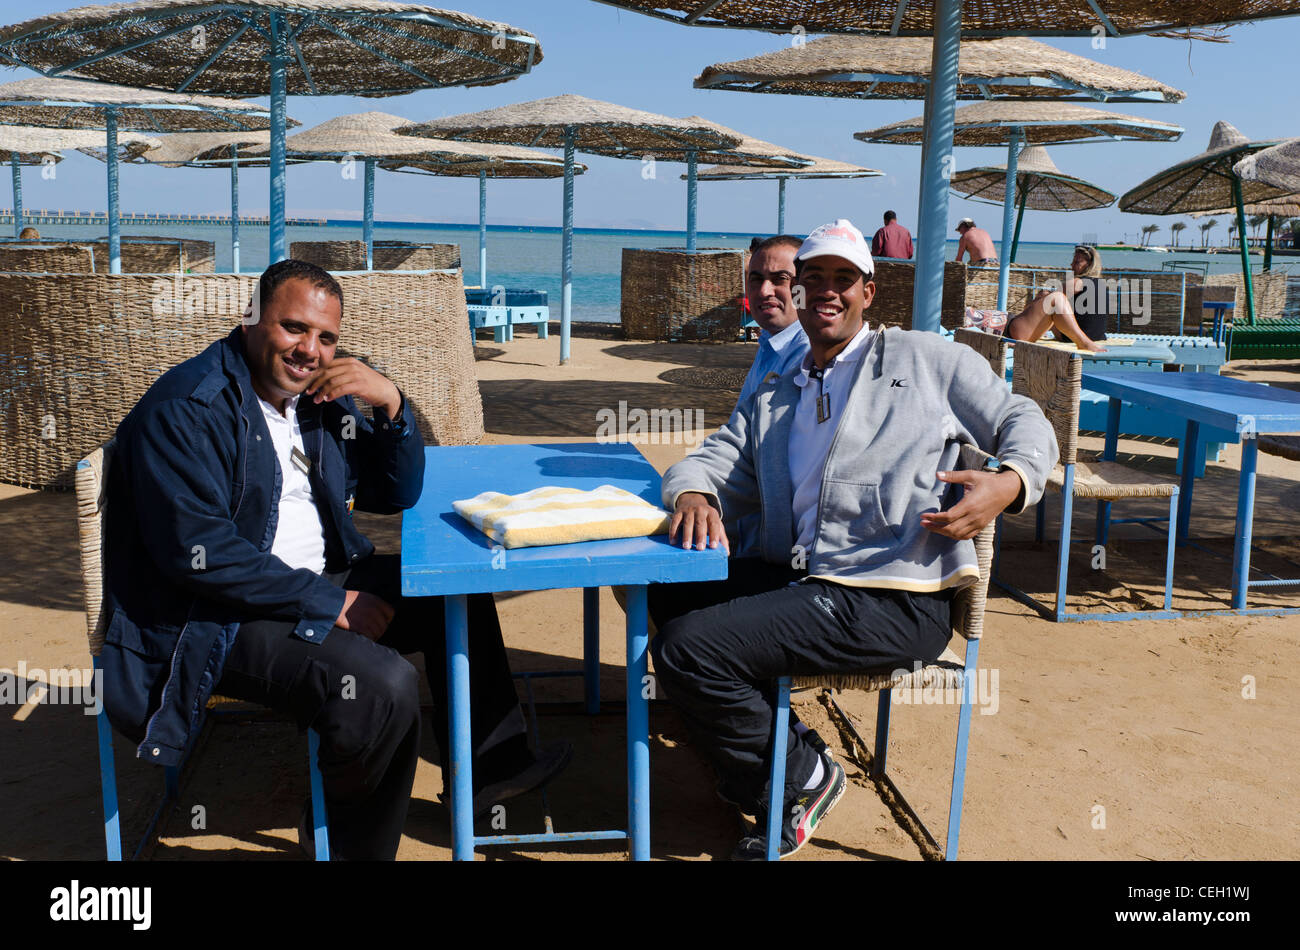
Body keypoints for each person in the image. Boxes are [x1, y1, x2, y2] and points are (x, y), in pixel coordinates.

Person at [102, 258, 569, 860]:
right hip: (210, 618)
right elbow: (198, 556)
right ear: (250, 321)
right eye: (294, 328)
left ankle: (491, 773)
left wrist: (393, 406)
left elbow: (394, 492)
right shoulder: (191, 408)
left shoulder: (316, 403)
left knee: (456, 594)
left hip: (309, 580)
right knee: (379, 687)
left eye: (325, 338)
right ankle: (347, 846)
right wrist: (330, 602)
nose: (309, 350)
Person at [647, 218, 1057, 860]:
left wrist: (1010, 482)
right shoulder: (779, 391)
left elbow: (1023, 416)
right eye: (814, 280)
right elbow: (715, 456)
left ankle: (798, 781)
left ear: (869, 291)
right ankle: (776, 750)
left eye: (844, 280)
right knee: (667, 593)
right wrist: (694, 493)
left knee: (689, 649)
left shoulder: (926, 360)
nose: (828, 293)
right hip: (808, 580)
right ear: (801, 294)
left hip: (894, 597)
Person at [1005, 244, 1107, 352]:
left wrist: (1040, 297)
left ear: (1089, 265)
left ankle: (1083, 342)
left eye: (1077, 262)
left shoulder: (1078, 282)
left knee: (1053, 300)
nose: (1071, 264)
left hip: (1071, 337)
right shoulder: (1102, 285)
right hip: (1097, 336)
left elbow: (1053, 301)